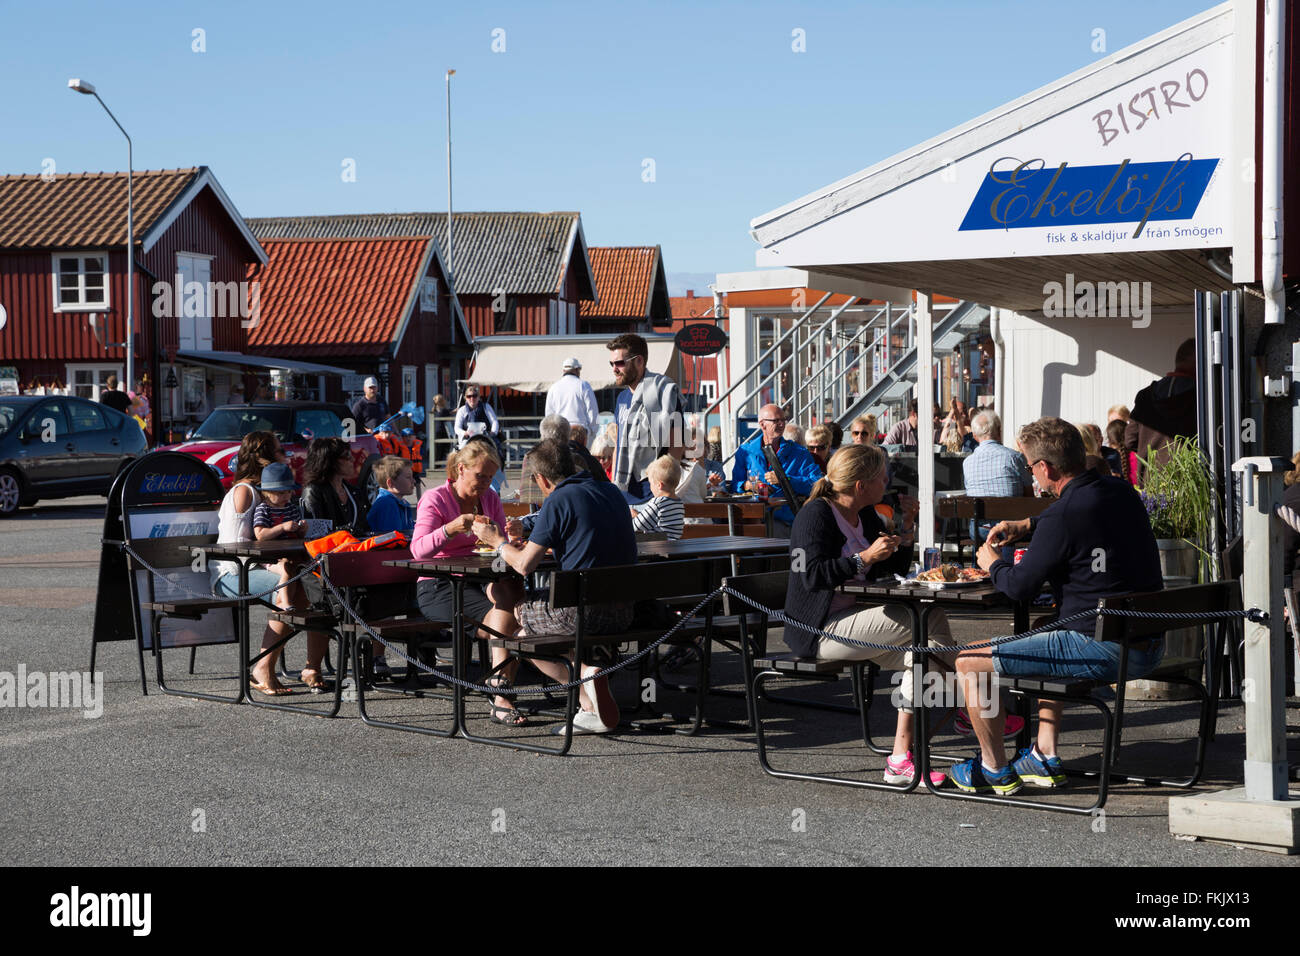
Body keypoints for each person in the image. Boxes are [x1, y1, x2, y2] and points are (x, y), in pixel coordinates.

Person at [954, 417, 1164, 794]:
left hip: (1106, 649)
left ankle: (994, 768)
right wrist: (1030, 524)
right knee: (1051, 629)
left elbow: (1018, 588)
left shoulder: (1062, 516)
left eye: (1028, 464)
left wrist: (992, 564)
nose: (1030, 472)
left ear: (1045, 468)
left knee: (969, 661)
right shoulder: (1121, 491)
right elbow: (1080, 516)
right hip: (1148, 641)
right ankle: (1043, 753)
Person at [784, 443, 958, 786]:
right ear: (861, 486)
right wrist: (862, 558)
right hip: (819, 630)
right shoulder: (815, 515)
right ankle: (966, 700)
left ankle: (899, 759)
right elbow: (810, 574)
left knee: (921, 654)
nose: (888, 482)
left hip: (854, 621)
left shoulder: (863, 514)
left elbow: (890, 566)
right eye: (882, 477)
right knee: (926, 623)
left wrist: (906, 528)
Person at [476, 439, 637, 734]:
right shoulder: (612, 492)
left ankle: (586, 692)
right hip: (624, 611)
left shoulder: (559, 500)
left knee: (519, 628)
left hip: (578, 613)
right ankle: (589, 699)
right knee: (548, 627)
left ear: (541, 479)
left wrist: (496, 541)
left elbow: (524, 565)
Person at [411, 439, 523, 720]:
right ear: (461, 469)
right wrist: (448, 529)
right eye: (480, 476)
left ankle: (500, 686)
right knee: (509, 618)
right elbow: (418, 550)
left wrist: (512, 539)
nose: (486, 483)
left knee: (517, 602)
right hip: (439, 584)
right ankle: (501, 694)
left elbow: (499, 544)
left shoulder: (491, 499)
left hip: (480, 577)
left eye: (490, 477)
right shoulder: (435, 499)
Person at [211, 431, 327, 695]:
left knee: (316, 583)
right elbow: (235, 546)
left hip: (266, 566)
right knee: (291, 585)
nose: (286, 456)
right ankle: (263, 669)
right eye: (279, 451)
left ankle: (312, 667)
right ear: (263, 456)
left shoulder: (278, 494)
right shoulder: (246, 492)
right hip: (233, 572)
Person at [608, 333, 684, 502]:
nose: (614, 368)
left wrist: (664, 487)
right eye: (612, 363)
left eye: (619, 363)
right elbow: (618, 446)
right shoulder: (621, 398)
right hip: (624, 492)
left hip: (654, 493)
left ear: (639, 361)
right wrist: (615, 484)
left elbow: (677, 441)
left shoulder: (663, 393)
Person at [729, 403, 822, 534]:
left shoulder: (799, 453)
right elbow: (735, 484)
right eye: (776, 420)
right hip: (754, 519)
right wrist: (749, 485)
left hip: (785, 522)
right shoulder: (745, 451)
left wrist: (784, 479)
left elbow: (817, 484)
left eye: (783, 420)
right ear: (762, 424)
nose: (781, 424)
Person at [1124, 338, 1197, 485]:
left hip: (1152, 484)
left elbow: (1130, 440)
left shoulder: (1145, 396)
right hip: (1190, 487)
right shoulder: (1203, 396)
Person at [300, 437, 369, 536]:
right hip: (327, 550)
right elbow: (315, 533)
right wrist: (347, 532)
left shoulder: (354, 491)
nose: (353, 459)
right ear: (330, 461)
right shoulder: (313, 491)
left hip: (353, 549)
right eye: (347, 456)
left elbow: (363, 527)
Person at [540, 413, 608, 482]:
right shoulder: (588, 461)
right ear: (567, 435)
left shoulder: (535, 462)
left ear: (542, 437)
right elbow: (606, 486)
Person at [630, 455, 685, 540]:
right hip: (674, 546)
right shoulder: (678, 503)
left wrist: (634, 515)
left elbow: (636, 526)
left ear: (659, 485)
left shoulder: (657, 503)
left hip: (658, 548)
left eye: (651, 483)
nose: (650, 487)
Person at [545, 357, 599, 439]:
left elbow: (549, 415)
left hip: (561, 432)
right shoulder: (583, 385)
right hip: (580, 432)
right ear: (577, 370)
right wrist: (593, 431)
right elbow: (592, 411)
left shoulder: (553, 387)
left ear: (563, 371)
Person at [252, 462, 305, 541]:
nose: (287, 496)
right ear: (267, 493)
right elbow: (260, 535)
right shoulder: (263, 509)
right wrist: (282, 527)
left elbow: (299, 535)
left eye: (289, 491)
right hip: (273, 551)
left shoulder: (291, 508)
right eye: (281, 493)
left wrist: (302, 529)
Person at [367, 455, 417, 535]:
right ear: (390, 483)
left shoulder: (397, 502)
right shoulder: (387, 504)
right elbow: (392, 539)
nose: (413, 481)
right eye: (408, 477)